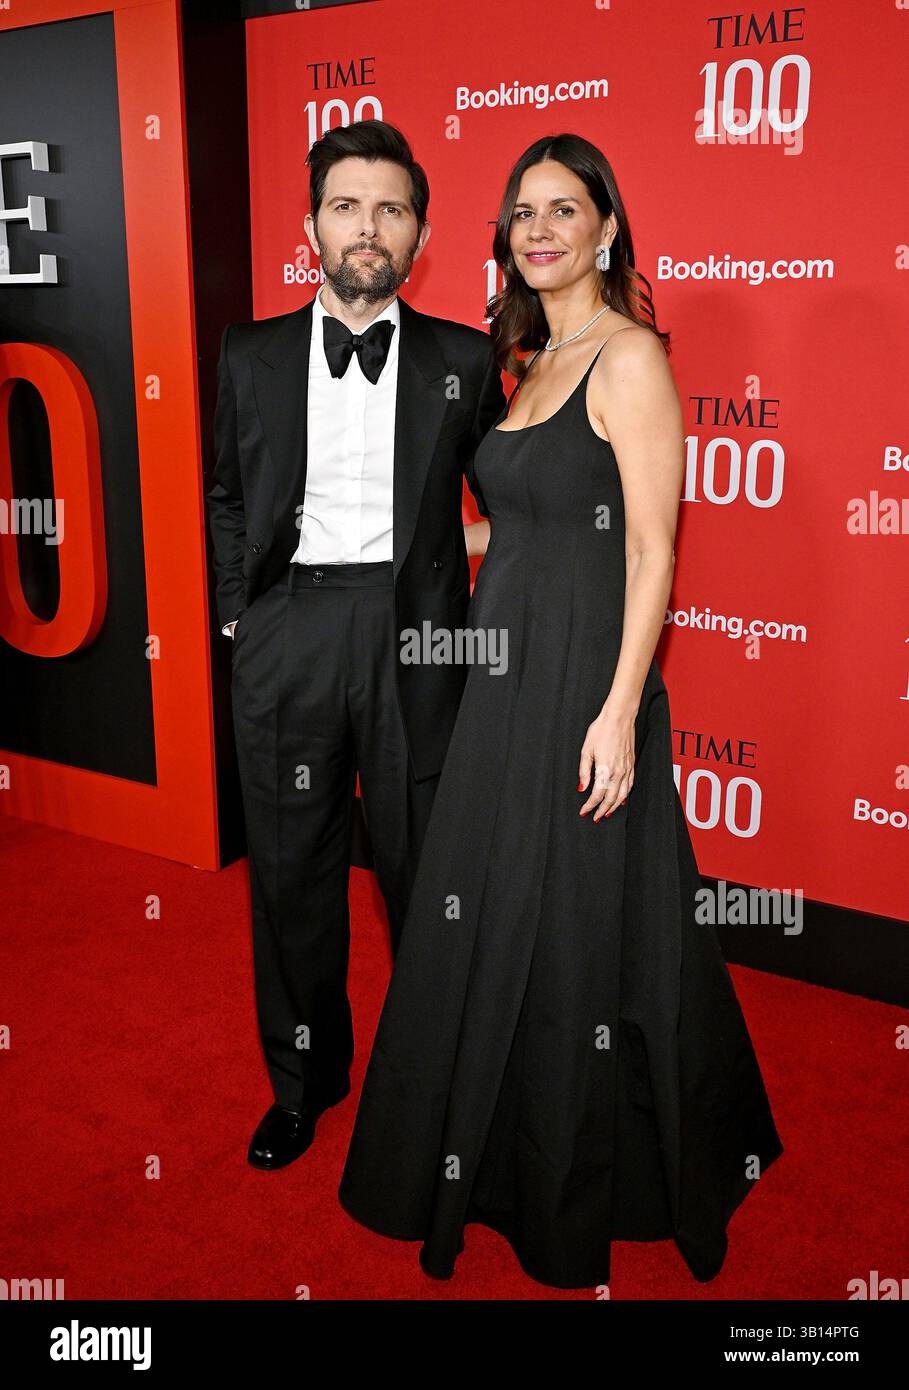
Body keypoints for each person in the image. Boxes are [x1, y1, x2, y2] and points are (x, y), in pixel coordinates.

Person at [338, 133, 784, 1289]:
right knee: (504, 911)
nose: (539, 230)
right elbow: (523, 520)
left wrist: (621, 708)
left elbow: (652, 548)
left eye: (563, 210)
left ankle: (607, 1172)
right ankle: (485, 1159)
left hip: (586, 678)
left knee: (595, 925)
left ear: (606, 229)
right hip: (506, 677)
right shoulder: (532, 354)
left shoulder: (629, 357)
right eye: (522, 214)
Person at [206, 120, 506, 1171]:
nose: (366, 227)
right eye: (346, 205)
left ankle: (435, 1086)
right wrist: (243, 617)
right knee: (289, 875)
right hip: (289, 634)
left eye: (389, 208)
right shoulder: (250, 350)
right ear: (311, 225)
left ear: (418, 233)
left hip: (415, 637)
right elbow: (227, 494)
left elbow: (508, 498)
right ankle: (305, 1081)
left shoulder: (463, 359)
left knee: (427, 872)